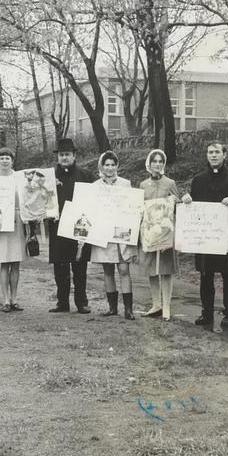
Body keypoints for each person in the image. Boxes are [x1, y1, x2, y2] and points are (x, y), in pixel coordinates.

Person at [182, 141, 228, 330]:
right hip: (205, 238)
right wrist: (187, 200)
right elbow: (192, 205)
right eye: (210, 152)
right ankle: (206, 312)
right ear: (207, 155)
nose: (214, 155)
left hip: (226, 237)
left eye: (217, 152)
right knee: (205, 275)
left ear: (225, 155)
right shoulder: (198, 180)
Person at [47, 137, 94, 314]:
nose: (64, 158)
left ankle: (81, 302)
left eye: (67, 154)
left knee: (80, 265)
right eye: (61, 155)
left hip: (79, 225)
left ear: (74, 155)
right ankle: (62, 302)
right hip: (57, 226)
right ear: (57, 157)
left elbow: (94, 198)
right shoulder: (50, 177)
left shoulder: (86, 175)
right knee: (60, 266)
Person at [90, 151, 137, 320]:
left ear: (117, 166)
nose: (110, 168)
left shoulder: (125, 184)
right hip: (103, 232)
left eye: (113, 164)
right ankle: (112, 307)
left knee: (124, 269)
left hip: (121, 231)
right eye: (107, 165)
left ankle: (128, 309)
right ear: (101, 166)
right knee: (107, 269)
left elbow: (132, 207)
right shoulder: (95, 186)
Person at [139, 149, 179, 321]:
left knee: (165, 269)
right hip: (149, 232)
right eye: (154, 161)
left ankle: (167, 306)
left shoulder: (170, 183)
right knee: (151, 269)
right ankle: (156, 303)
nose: (157, 164)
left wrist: (175, 202)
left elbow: (176, 206)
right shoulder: (143, 185)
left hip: (165, 232)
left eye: (160, 161)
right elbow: (140, 207)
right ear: (149, 163)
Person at [0, 147, 28, 313]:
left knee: (15, 261)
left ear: (12, 161)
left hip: (17, 220)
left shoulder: (20, 178)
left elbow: (27, 198)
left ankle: (14, 298)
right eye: (1, 158)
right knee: (4, 262)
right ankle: (5, 299)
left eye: (7, 158)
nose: (4, 161)